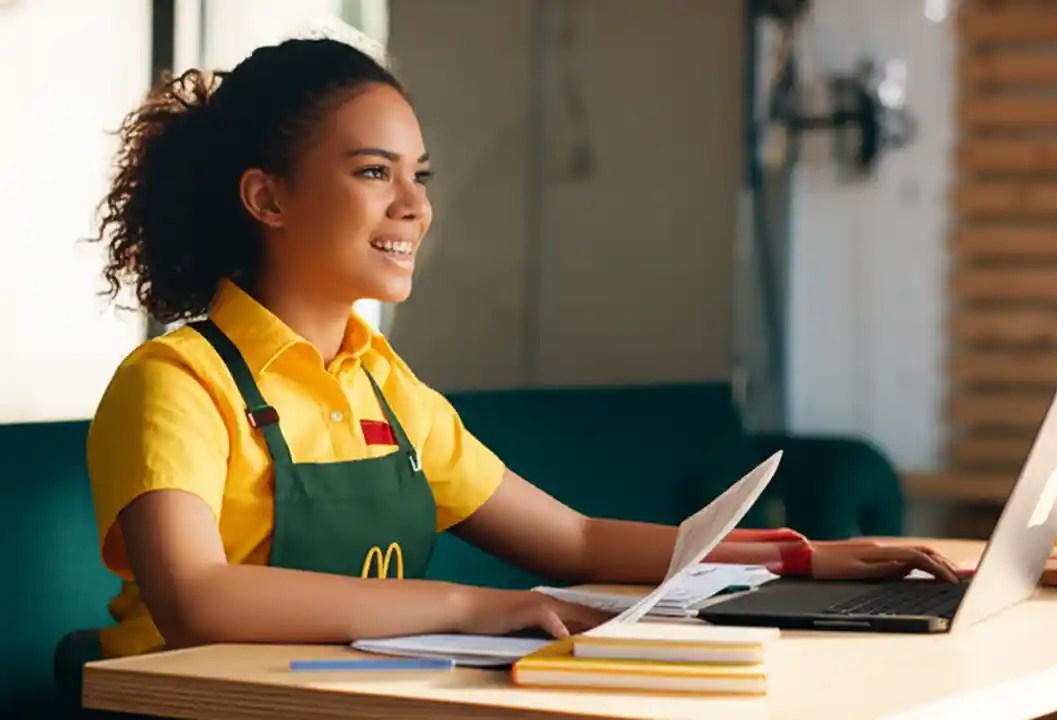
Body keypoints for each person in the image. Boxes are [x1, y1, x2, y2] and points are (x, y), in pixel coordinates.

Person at [86, 37, 958, 660]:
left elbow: (573, 541)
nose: (415, 205)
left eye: (420, 174)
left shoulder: (383, 387)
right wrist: (473, 607)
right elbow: (197, 599)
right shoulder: (174, 383)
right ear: (267, 200)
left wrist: (793, 559)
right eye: (374, 171)